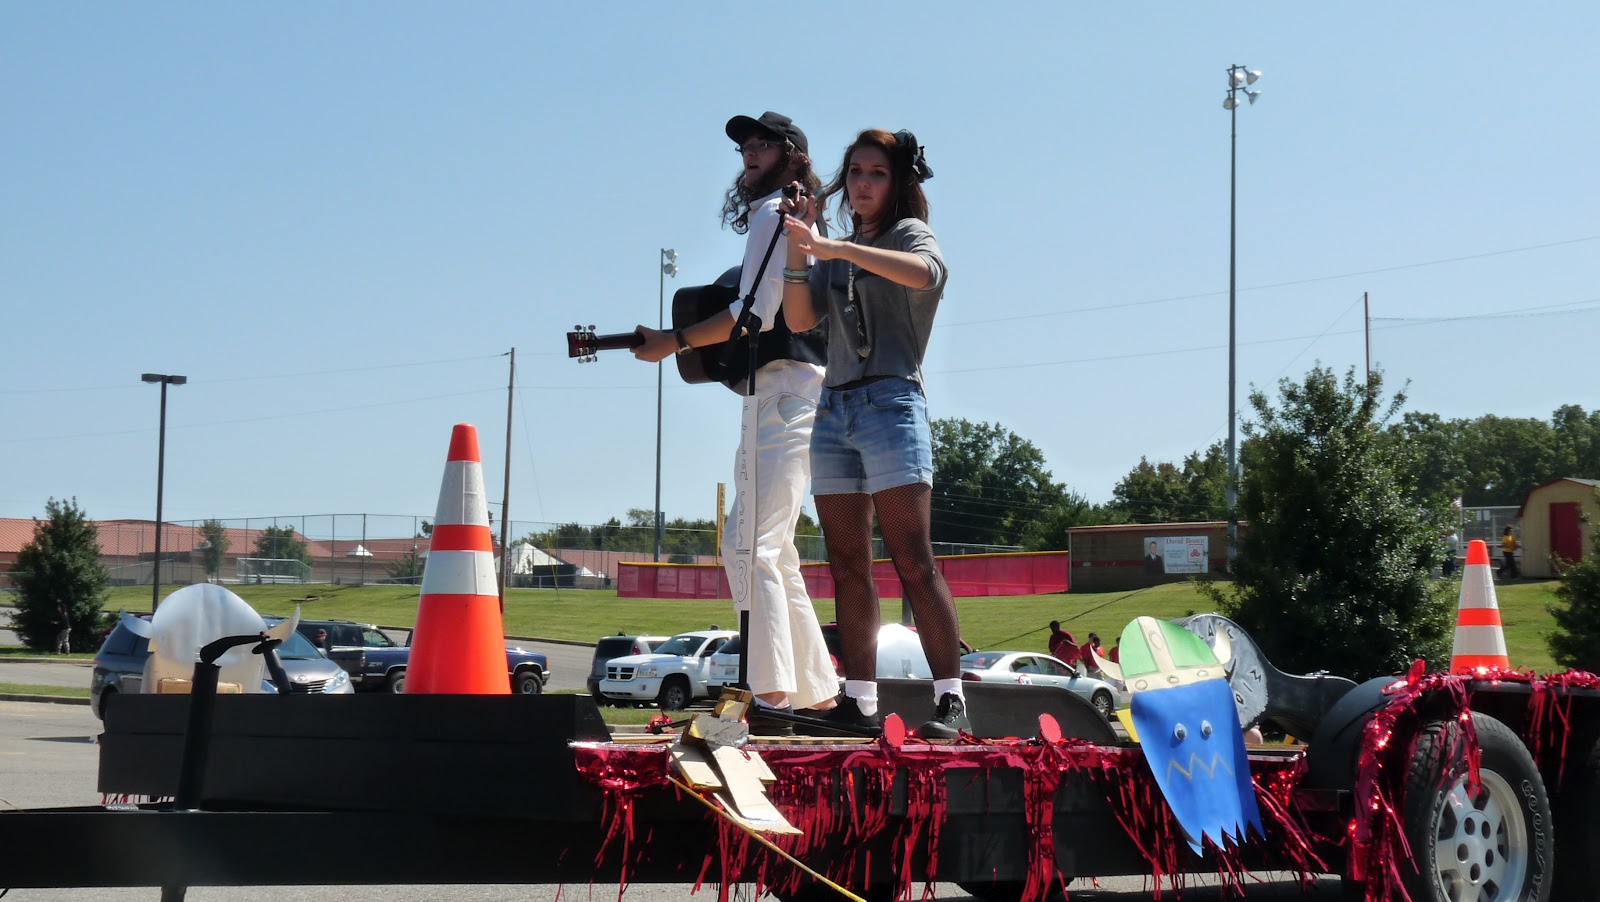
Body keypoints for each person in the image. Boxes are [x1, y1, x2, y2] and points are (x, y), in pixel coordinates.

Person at [632, 111, 837, 733]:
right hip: (787, 391)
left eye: (764, 142)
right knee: (766, 546)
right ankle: (814, 689)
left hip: (784, 390)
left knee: (752, 544)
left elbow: (751, 312)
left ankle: (770, 692)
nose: (750, 150)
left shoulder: (774, 211)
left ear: (791, 153)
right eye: (746, 143)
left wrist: (674, 340)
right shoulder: (797, 214)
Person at [779, 127, 965, 738]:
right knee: (847, 563)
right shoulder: (834, 248)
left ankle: (952, 700)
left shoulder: (908, 235)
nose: (862, 183)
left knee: (913, 558)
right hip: (833, 408)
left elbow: (926, 275)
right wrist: (801, 253)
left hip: (891, 399)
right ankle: (858, 699)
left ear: (898, 182)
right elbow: (800, 319)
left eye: (876, 173)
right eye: (855, 171)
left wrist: (839, 249)